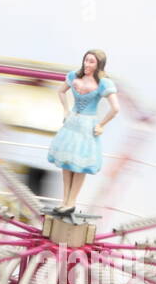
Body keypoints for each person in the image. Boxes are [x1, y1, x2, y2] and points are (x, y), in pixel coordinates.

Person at [46, 49, 120, 220]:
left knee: (79, 166)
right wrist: (65, 110)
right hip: (72, 123)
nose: (87, 64)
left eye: (92, 61)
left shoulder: (104, 83)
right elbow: (60, 91)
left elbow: (116, 108)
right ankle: (65, 200)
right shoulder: (73, 76)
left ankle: (71, 202)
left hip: (87, 126)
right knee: (66, 163)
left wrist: (102, 124)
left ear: (98, 64)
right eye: (86, 60)